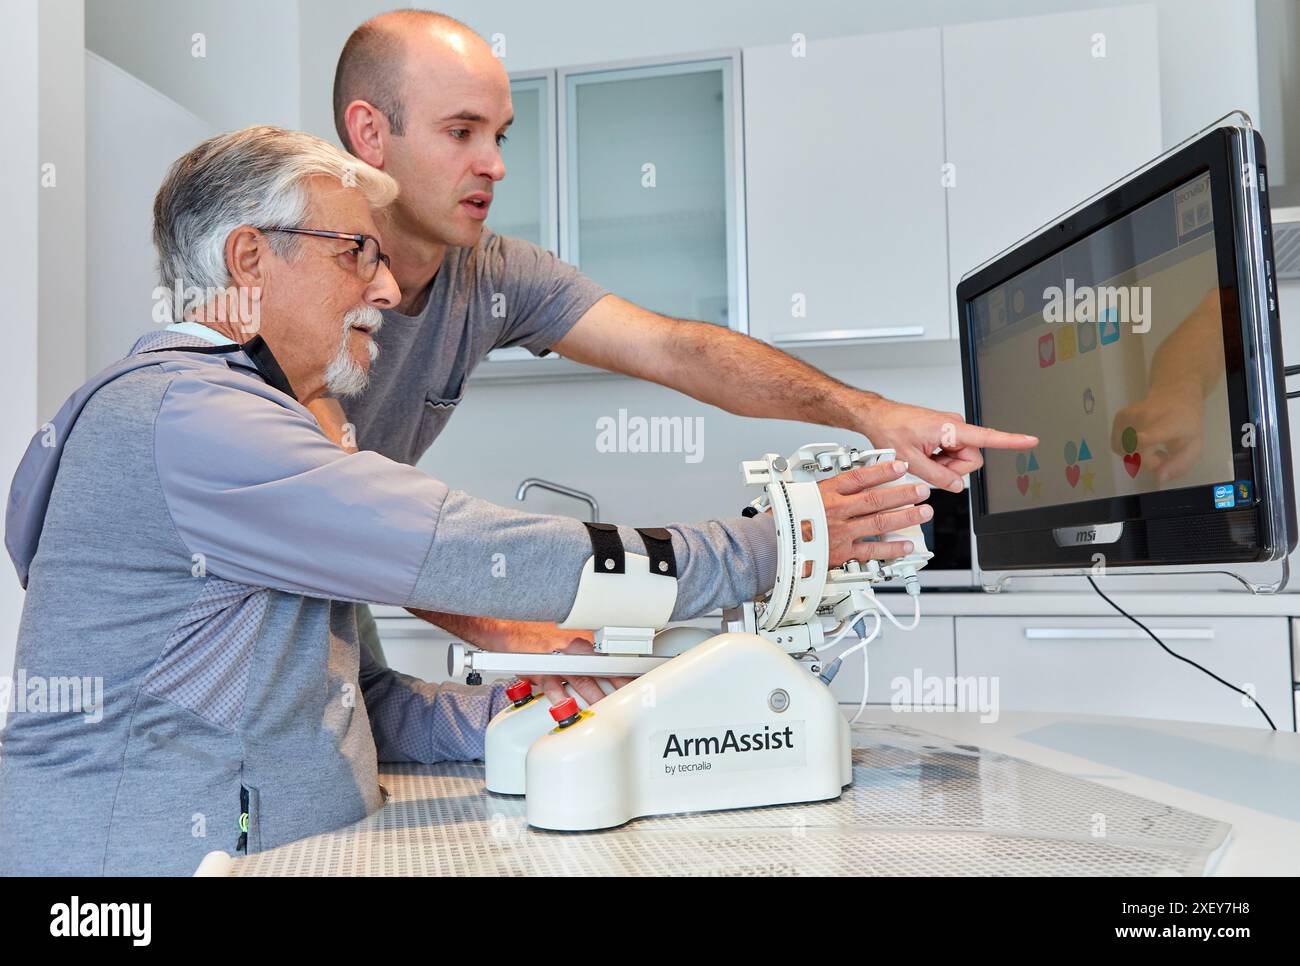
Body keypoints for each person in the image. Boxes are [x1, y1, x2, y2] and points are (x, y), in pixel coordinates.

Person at [0, 126, 930, 875]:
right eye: (355, 252)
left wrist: (550, 709)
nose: (388, 287)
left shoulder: (224, 414)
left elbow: (362, 705)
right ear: (250, 258)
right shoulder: (193, 417)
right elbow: (470, 546)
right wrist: (772, 544)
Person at [325, 9, 1039, 702]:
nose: (495, 165)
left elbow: (676, 350)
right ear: (370, 133)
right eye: (461, 132)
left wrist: (869, 414)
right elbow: (349, 518)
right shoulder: (298, 277)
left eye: (501, 135)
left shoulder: (495, 276)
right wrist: (517, 631)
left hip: (347, 581)